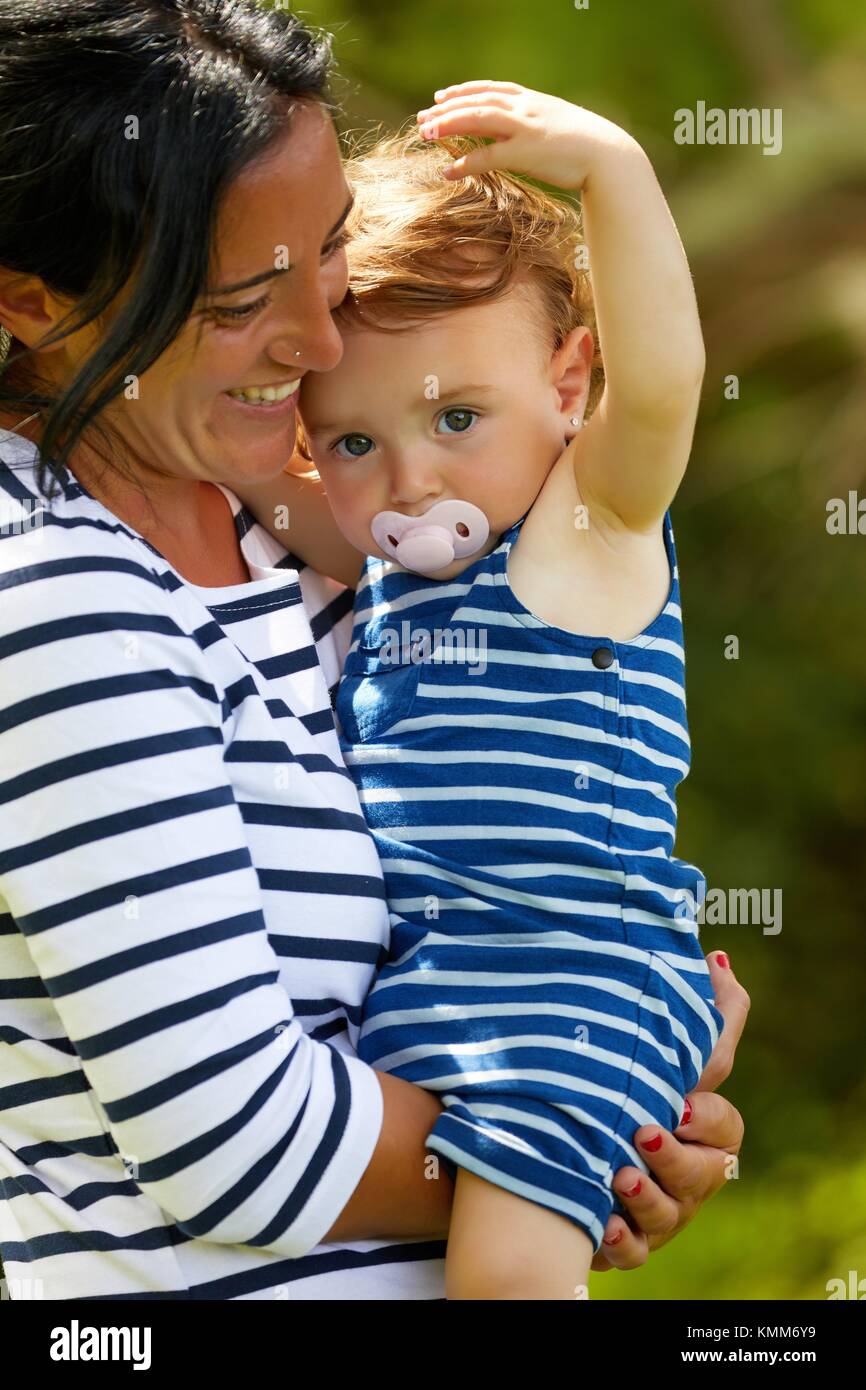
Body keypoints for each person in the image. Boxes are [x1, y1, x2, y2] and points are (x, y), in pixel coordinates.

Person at [0, 2, 748, 1301]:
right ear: (35, 304)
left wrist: (605, 1118)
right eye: (244, 300)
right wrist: (594, 1132)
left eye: (330, 249)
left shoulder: (326, 538)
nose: (326, 342)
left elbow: (652, 397)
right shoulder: (53, 585)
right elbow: (238, 1143)